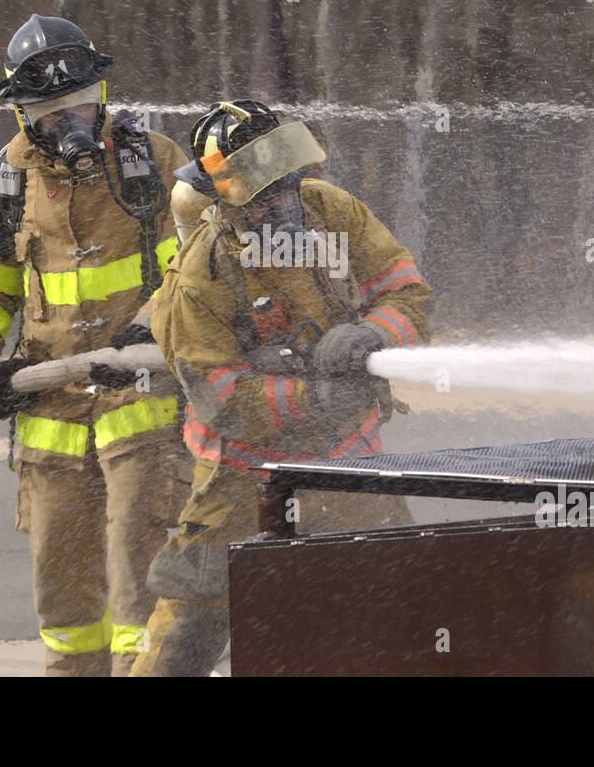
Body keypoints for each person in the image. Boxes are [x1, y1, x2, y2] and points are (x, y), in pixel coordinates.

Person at [132, 99, 432, 676]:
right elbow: (220, 395)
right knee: (194, 615)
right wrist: (314, 399)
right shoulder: (200, 277)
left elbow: (407, 292)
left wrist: (373, 333)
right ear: (226, 198)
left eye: (288, 185)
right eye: (264, 196)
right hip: (244, 477)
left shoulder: (334, 212)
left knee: (397, 603)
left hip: (347, 462)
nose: (283, 205)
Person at [0, 15, 190, 676]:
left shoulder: (156, 162)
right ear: (24, 113)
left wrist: (148, 326)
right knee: (63, 597)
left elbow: (193, 269)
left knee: (141, 579)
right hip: (49, 413)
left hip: (139, 405)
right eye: (50, 111)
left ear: (103, 93)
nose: (71, 121)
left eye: (81, 104)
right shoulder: (9, 176)